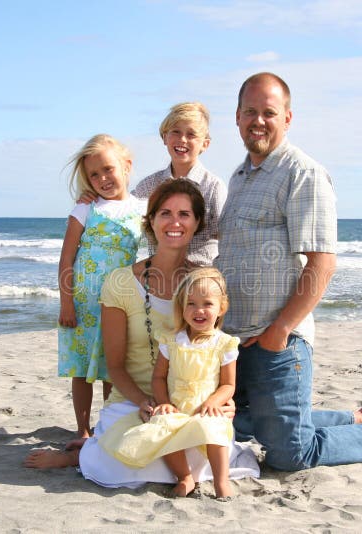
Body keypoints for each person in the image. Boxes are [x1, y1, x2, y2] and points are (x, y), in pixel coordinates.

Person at [215, 72, 362, 471]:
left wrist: (280, 331)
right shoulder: (239, 178)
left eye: (269, 113)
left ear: (287, 118)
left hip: (277, 341)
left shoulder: (302, 173)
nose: (258, 121)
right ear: (237, 117)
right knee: (233, 425)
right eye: (250, 112)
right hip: (234, 341)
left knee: (289, 454)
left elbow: (322, 264)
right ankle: (356, 418)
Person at [25, 180, 259, 491]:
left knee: (202, 452)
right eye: (165, 213)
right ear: (150, 221)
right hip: (134, 402)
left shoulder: (204, 286)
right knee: (124, 460)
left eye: (184, 214)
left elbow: (213, 352)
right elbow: (115, 366)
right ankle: (85, 453)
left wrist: (223, 401)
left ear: (197, 223)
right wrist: (144, 402)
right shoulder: (120, 282)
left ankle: (97, 448)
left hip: (190, 404)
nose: (174, 222)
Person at [99, 267, 238, 499]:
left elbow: (228, 385)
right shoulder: (172, 341)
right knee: (162, 429)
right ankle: (184, 477)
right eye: (191, 304)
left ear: (221, 308)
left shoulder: (224, 344)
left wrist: (214, 402)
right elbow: (159, 377)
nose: (199, 310)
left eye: (207, 304)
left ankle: (221, 482)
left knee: (214, 429)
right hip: (177, 407)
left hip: (204, 408)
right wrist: (164, 402)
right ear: (181, 307)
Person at [57, 134, 145, 448]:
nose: (102, 178)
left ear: (126, 166)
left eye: (108, 169)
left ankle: (107, 425)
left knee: (112, 367)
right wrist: (66, 303)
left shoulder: (142, 209)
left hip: (119, 303)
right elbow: (66, 258)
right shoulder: (86, 208)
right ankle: (82, 429)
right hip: (83, 303)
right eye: (94, 175)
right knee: (81, 370)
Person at [78, 102, 226, 265]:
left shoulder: (213, 187)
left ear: (205, 144)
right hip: (159, 274)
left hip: (200, 274)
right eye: (175, 132)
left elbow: (227, 238)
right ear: (164, 137)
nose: (182, 139)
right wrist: (94, 198)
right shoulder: (148, 186)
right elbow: (120, 211)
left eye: (191, 134)